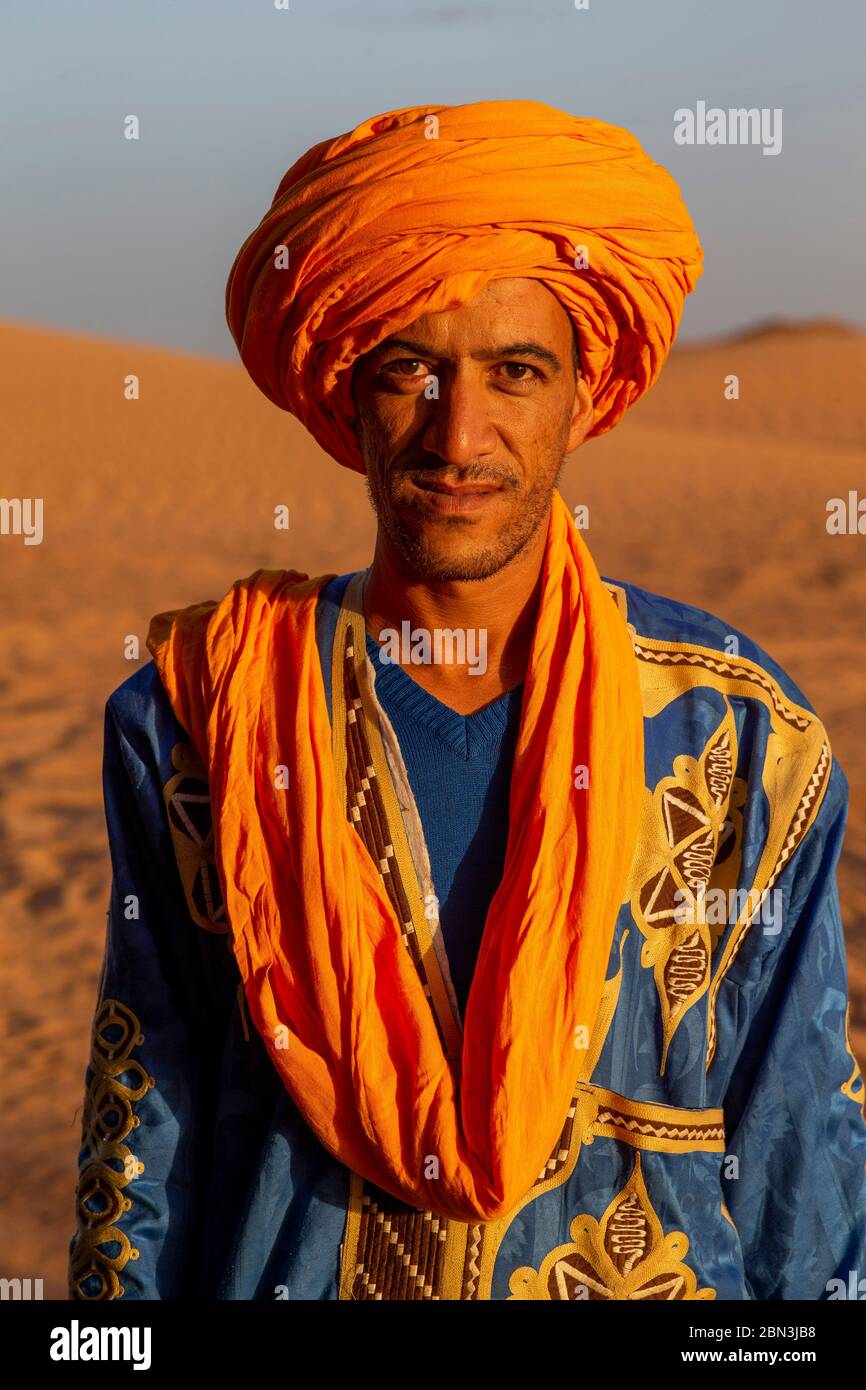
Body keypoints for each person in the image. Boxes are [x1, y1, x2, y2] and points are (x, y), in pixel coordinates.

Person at [68, 99, 866, 1302]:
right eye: (410, 371)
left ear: (581, 398)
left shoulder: (740, 738)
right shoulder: (199, 721)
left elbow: (799, 1151)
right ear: (346, 396)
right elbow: (146, 1132)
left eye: (514, 372)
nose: (459, 432)